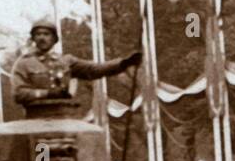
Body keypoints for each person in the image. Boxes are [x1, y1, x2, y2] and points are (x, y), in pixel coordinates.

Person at [11, 18, 141, 106]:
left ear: (54, 39)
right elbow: (18, 93)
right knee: (42, 147)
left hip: (65, 114)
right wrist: (48, 93)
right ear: (33, 38)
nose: (42, 38)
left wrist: (123, 64)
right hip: (36, 116)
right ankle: (42, 149)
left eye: (46, 34)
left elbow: (93, 69)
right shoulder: (24, 63)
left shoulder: (65, 61)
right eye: (38, 34)